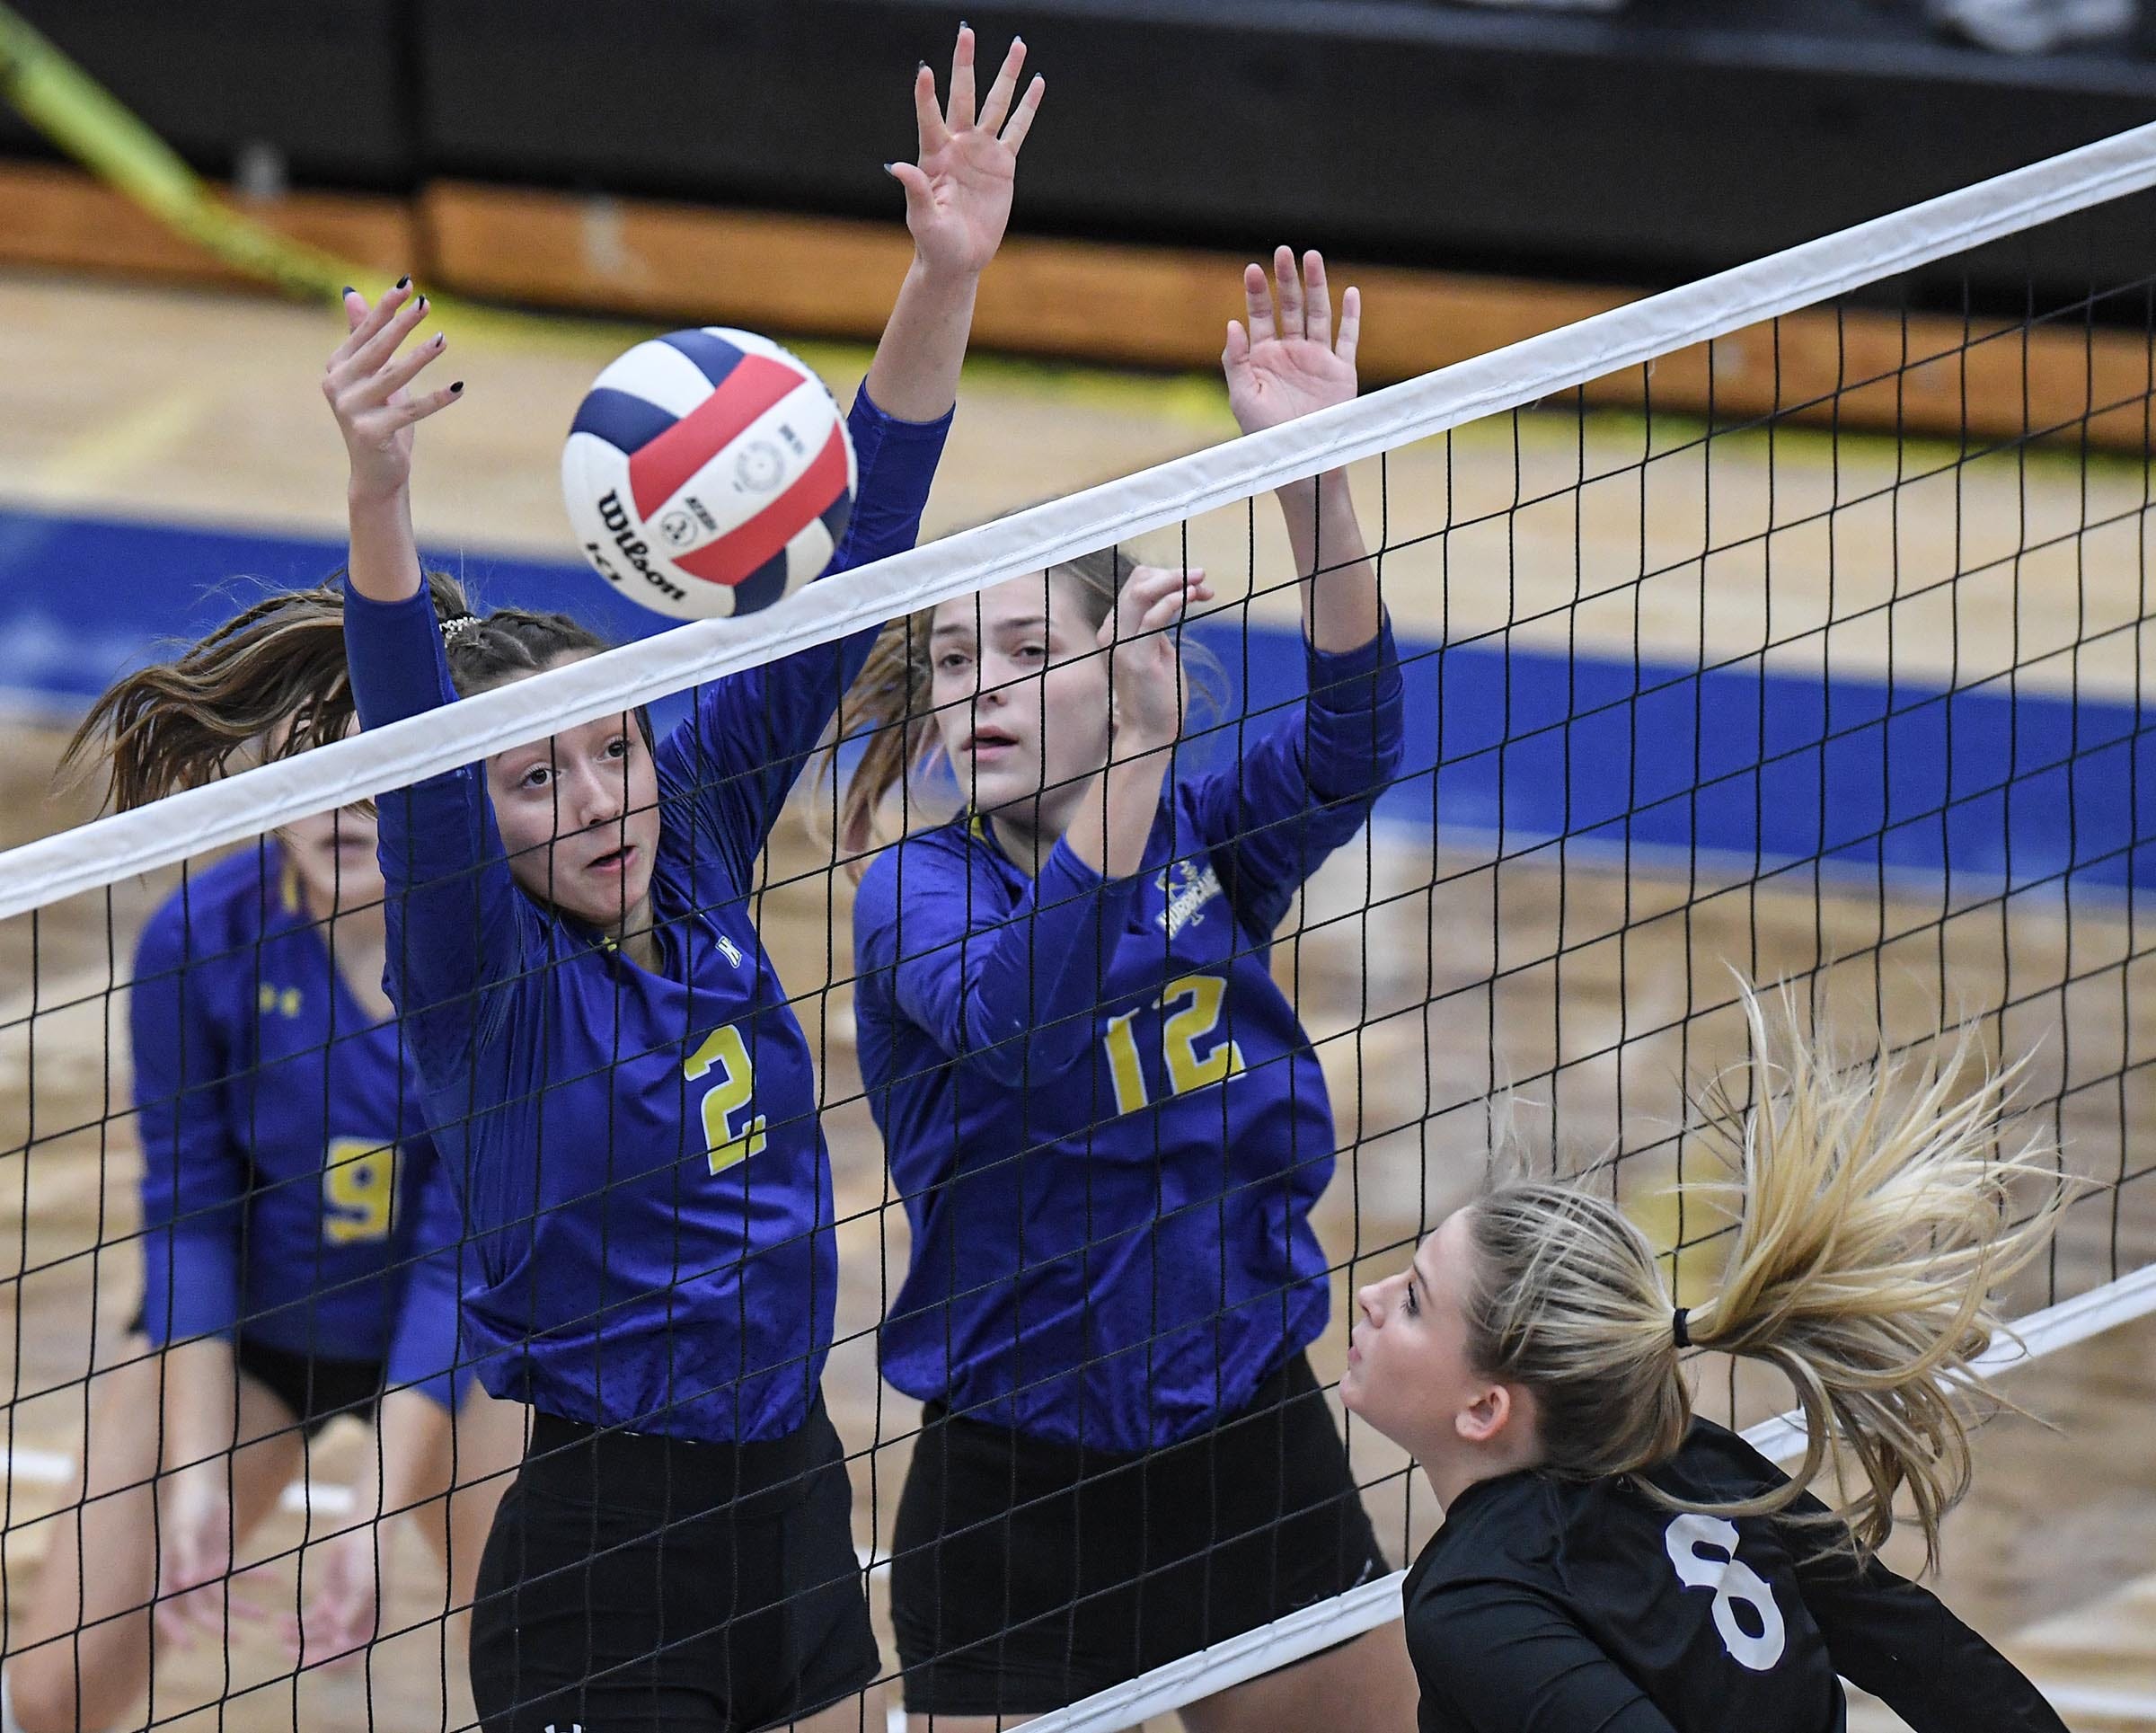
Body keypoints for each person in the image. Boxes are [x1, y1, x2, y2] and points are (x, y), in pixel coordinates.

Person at [323, 27, 1042, 1730]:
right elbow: (415, 751)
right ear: (478, 826)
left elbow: (866, 545)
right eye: (535, 778)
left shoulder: (698, 826)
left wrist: (944, 276)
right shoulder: (479, 973)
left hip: (789, 1487)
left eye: (609, 748)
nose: (595, 798)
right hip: (600, 1547)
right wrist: (379, 491)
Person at [836, 247, 1419, 1729]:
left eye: (1032, 649)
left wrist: (1312, 474)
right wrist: (1140, 766)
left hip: (1248, 1437)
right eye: (956, 658)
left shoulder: (1211, 844)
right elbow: (1022, 1023)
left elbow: (1355, 742)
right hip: (1018, 1489)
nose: (982, 689)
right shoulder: (917, 886)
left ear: (1124, 663)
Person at [1340, 981, 2072, 1732]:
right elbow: (1930, 1655)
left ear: (1485, 1407)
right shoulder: (1700, 1462)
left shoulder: (1477, 1600)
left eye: (1414, 1299)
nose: (1370, 1293)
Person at [6, 685, 524, 1733]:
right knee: (57, 1689)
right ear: (274, 784)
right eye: (316, 764)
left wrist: (376, 1515)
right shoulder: (200, 936)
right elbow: (186, 1212)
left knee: (556, 1646)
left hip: (459, 1347)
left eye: (383, 767)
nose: (348, 799)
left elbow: (459, 1256)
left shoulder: (495, 950)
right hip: (248, 1340)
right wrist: (197, 1475)